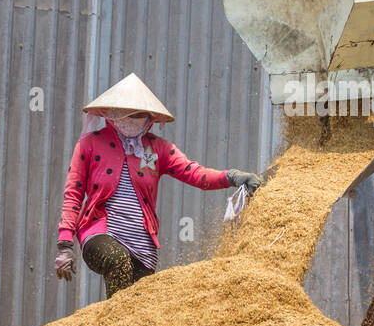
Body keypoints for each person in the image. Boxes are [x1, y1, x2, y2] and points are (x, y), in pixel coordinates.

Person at [54, 73, 261, 297]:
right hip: (100, 232)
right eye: (125, 113)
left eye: (138, 115)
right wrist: (65, 245)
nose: (131, 119)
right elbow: (73, 193)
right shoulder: (90, 145)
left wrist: (231, 177)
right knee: (118, 261)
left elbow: (195, 174)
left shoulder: (158, 149)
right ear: (111, 113)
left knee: (141, 300)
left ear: (149, 118)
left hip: (143, 243)